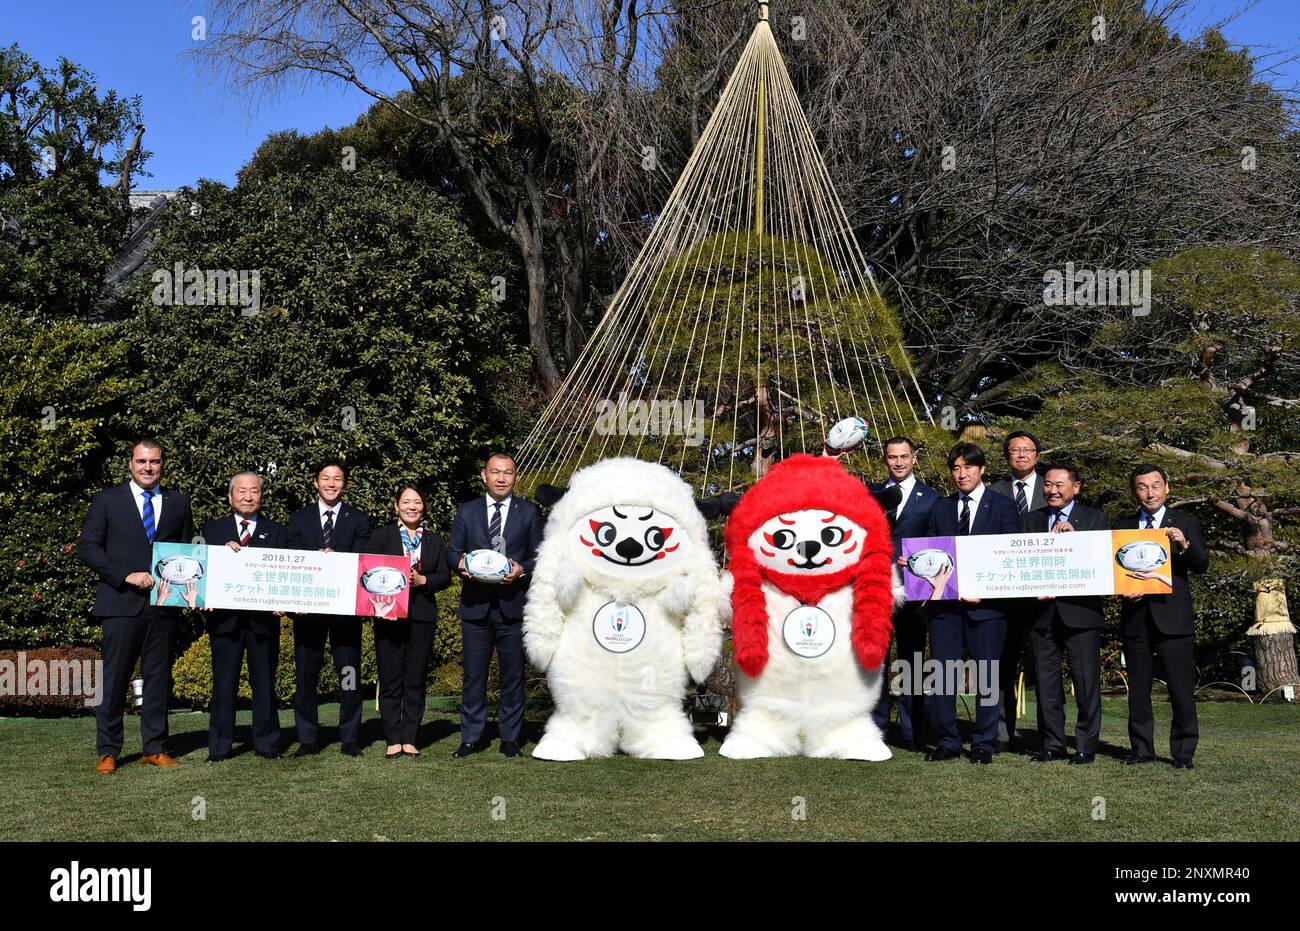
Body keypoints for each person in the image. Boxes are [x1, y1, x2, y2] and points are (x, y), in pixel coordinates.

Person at [77, 439, 194, 773]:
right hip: (120, 603)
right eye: (141, 461)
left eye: (154, 462)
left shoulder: (178, 503)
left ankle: (154, 747)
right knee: (114, 680)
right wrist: (125, 575)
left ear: (162, 464)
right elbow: (88, 547)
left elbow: (185, 553)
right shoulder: (107, 500)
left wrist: (190, 593)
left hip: (163, 606)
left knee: (158, 678)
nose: (148, 467)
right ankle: (109, 751)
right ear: (130, 463)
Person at [920, 442, 1021, 764]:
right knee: (945, 675)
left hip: (987, 609)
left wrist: (986, 592)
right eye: (956, 468)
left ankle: (983, 743)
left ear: (982, 469)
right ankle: (948, 741)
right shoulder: (940, 507)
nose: (962, 474)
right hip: (946, 608)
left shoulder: (1003, 506)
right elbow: (933, 555)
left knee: (987, 678)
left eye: (968, 467)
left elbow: (1010, 556)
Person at [448, 453, 543, 758]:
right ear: (483, 475)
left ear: (516, 477)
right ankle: (471, 737)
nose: (501, 478)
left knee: (513, 675)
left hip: (513, 607)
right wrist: (460, 563)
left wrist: (522, 569)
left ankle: (510, 738)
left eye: (508, 473)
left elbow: (539, 554)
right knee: (474, 676)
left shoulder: (529, 512)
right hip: (475, 606)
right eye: (495, 472)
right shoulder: (467, 511)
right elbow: (452, 551)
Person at [1114, 464, 1208, 769]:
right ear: (1134, 491)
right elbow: (1113, 570)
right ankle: (1141, 749)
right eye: (1142, 487)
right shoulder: (1124, 525)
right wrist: (1122, 590)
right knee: (1138, 690)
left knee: (1180, 690)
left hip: (1173, 617)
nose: (1149, 492)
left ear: (1167, 488)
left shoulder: (1185, 521)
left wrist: (1184, 544)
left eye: (1155, 486)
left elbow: (1202, 565)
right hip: (1135, 617)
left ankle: (1183, 754)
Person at [1022, 464, 1109, 764]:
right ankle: (1052, 744)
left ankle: (1085, 745)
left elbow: (1103, 562)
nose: (1052, 490)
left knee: (1085, 683)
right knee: (1046, 685)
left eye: (1059, 485)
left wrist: (1078, 537)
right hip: (1041, 614)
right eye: (1047, 484)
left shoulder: (1094, 518)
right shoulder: (1031, 520)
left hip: (1080, 614)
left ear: (1077, 487)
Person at [286, 458, 372, 757]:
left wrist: (338, 558)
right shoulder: (299, 519)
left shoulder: (359, 519)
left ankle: (350, 738)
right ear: (316, 482)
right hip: (308, 612)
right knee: (306, 676)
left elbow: (364, 559)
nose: (331, 484)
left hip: (345, 612)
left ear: (344, 483)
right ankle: (308, 739)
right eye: (326, 478)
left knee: (348, 675)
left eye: (337, 479)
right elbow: (292, 560)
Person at [201, 471, 286, 762]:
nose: (248, 497)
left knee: (264, 684)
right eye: (241, 491)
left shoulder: (277, 532)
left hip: (264, 622)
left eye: (254, 491)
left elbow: (285, 576)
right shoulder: (213, 530)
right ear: (230, 497)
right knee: (224, 685)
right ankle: (219, 748)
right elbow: (203, 569)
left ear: (262, 496)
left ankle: (267, 744)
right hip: (225, 621)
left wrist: (283, 602)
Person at [366, 482, 452, 758]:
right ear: (396, 506)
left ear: (423, 506)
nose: (412, 507)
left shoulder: (434, 540)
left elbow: (445, 576)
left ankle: (410, 737)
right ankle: (393, 738)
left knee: (414, 679)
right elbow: (367, 569)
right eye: (406, 502)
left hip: (422, 616)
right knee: (390, 679)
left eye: (417, 502)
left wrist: (424, 580)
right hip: (388, 615)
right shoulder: (381, 536)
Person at [869, 436, 940, 750]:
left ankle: (914, 732)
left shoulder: (932, 498)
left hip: (913, 588)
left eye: (904, 456)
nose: (898, 462)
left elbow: (938, 545)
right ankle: (875, 729)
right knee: (875, 661)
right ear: (885, 460)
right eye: (892, 457)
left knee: (912, 660)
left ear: (915, 459)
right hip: (873, 586)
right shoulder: (870, 495)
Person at [989, 430, 1045, 752]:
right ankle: (1000, 733)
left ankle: (1046, 737)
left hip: (1043, 598)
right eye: (1015, 450)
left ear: (1037, 454)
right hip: (1004, 596)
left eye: (1028, 450)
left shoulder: (1053, 486)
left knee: (1044, 668)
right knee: (1001, 665)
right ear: (1007, 456)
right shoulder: (993, 491)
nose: (1021, 455)